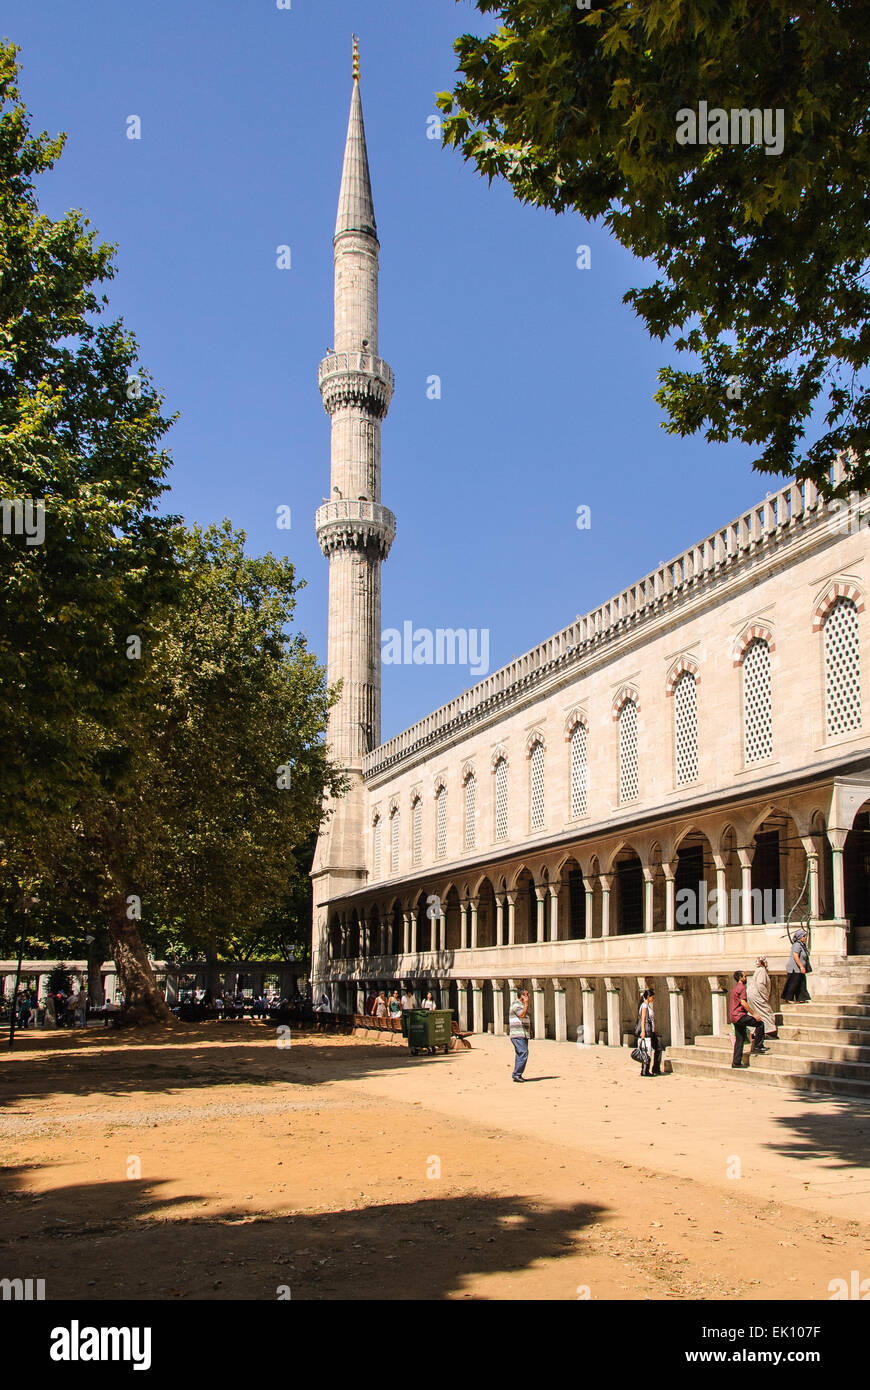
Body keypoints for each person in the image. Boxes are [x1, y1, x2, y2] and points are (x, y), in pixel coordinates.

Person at [730, 969, 768, 1067]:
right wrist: (754, 1014)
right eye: (744, 976)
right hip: (740, 1015)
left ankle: (736, 1062)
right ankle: (758, 1046)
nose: (745, 978)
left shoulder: (735, 988)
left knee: (740, 1039)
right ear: (740, 978)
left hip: (734, 1017)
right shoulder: (741, 987)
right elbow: (743, 1003)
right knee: (760, 1023)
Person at [747, 956, 777, 1039]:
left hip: (752, 994)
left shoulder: (758, 970)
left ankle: (755, 1032)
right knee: (766, 1011)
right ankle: (768, 1031)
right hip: (757, 995)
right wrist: (765, 996)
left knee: (757, 1012)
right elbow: (760, 984)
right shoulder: (762, 970)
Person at [636, 987, 662, 1077]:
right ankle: (645, 1070)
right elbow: (643, 1019)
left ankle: (654, 1069)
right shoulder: (644, 1006)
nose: (653, 999)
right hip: (646, 1032)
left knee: (656, 1048)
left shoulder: (647, 1006)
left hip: (650, 1031)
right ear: (648, 997)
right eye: (652, 997)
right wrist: (643, 1031)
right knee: (647, 1050)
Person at [781, 928, 812, 1003]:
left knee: (801, 983)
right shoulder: (797, 945)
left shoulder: (802, 945)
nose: (805, 938)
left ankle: (801, 998)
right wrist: (801, 966)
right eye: (803, 936)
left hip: (800, 969)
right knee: (793, 983)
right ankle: (788, 998)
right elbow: (795, 956)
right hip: (795, 968)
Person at [508, 986, 531, 1082]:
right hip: (517, 1034)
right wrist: (526, 1004)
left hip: (523, 1033)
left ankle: (517, 1075)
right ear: (522, 996)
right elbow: (522, 1015)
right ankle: (516, 1074)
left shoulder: (521, 1005)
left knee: (520, 1053)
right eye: (526, 994)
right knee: (523, 1052)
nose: (529, 996)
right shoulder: (516, 1005)